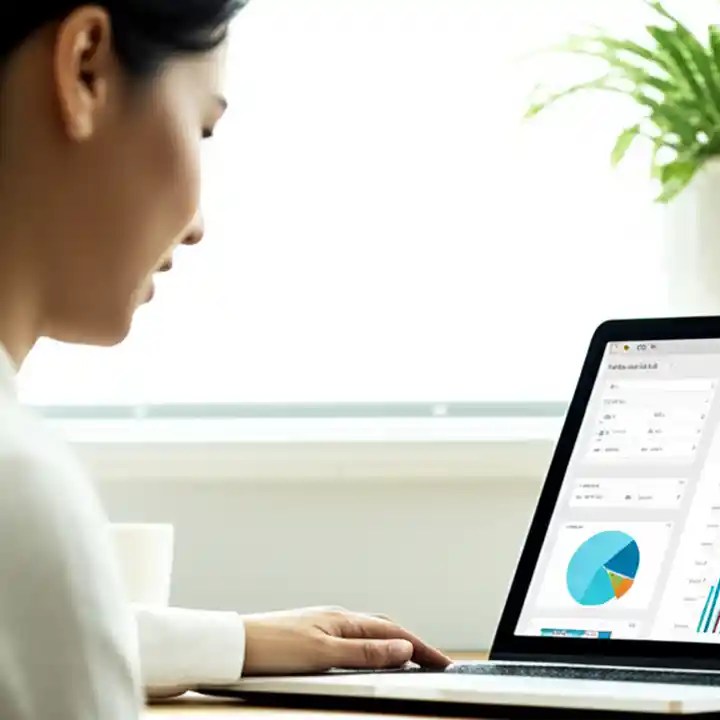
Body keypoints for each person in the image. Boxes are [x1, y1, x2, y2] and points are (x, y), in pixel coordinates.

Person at [0, 3, 450, 717]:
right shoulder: (19, 487)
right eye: (201, 128)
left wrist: (232, 642)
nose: (200, 224)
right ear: (85, 68)